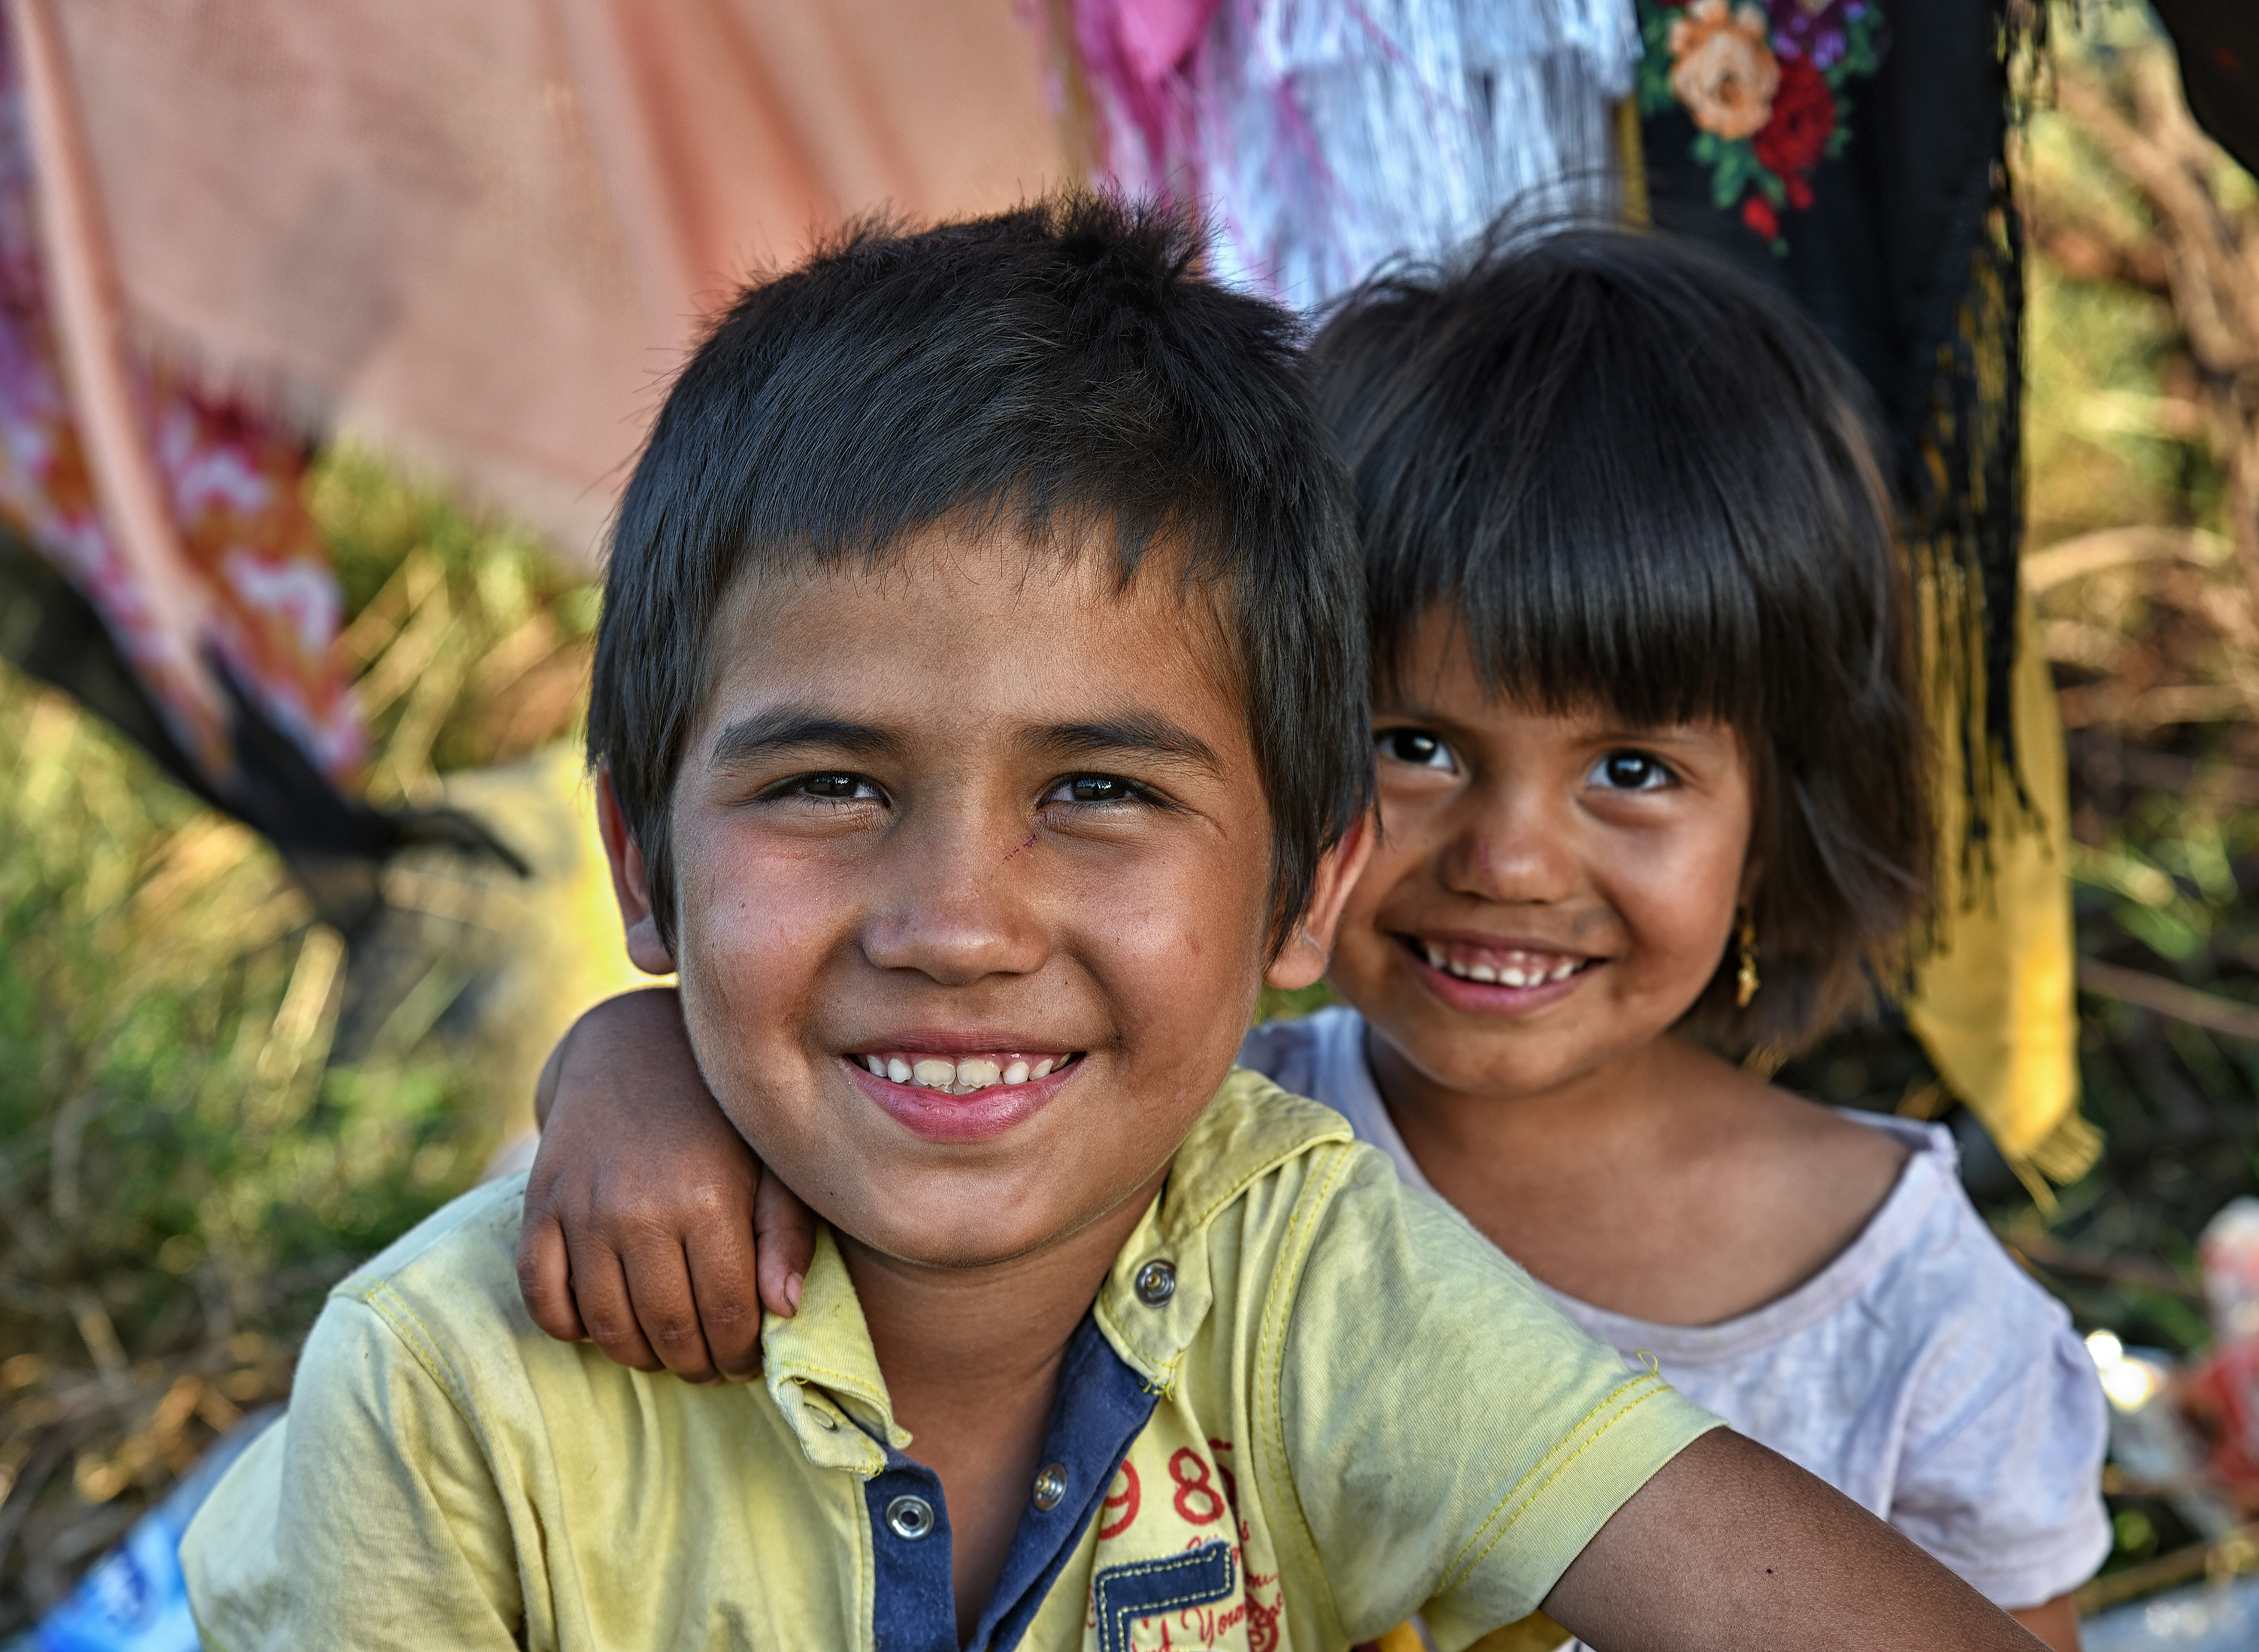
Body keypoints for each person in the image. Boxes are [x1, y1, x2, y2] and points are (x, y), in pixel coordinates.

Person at [178, 195, 2041, 1652]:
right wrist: (633, 1046)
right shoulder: (448, 1395)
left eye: (1099, 790)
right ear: (639, 862)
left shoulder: (1301, 1271)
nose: (959, 924)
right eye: (829, 783)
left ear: (1308, 879)